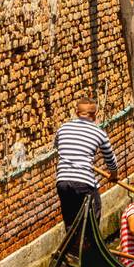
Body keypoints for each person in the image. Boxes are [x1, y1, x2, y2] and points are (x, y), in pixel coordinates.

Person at [55, 96, 118, 228]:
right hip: (83, 181)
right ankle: (90, 246)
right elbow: (110, 159)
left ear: (77, 113)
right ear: (95, 115)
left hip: (62, 181)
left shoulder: (62, 129)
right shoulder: (99, 133)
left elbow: (58, 147)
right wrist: (114, 175)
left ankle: (72, 246)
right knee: (94, 212)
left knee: (70, 220)